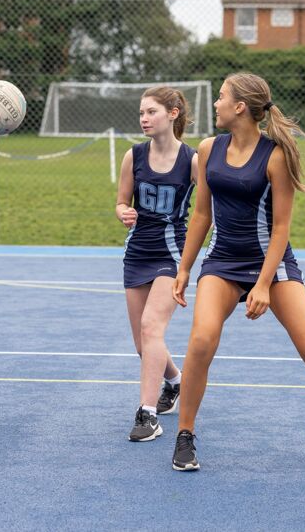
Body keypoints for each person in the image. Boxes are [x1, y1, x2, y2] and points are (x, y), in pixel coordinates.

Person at [171, 72, 305, 471]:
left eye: (222, 97)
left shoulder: (276, 154)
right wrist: (185, 268)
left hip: (270, 264)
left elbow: (281, 228)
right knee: (202, 339)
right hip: (223, 261)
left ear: (240, 107)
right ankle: (185, 434)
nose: (216, 103)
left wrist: (263, 284)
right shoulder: (208, 149)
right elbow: (202, 214)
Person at [116, 87, 198, 442]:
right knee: (142, 344)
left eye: (151, 112)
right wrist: (123, 212)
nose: (144, 119)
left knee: (152, 329)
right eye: (141, 113)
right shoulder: (132, 156)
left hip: (172, 253)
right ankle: (176, 381)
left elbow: (209, 207)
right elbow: (120, 202)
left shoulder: (192, 161)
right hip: (137, 251)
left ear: (173, 114)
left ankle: (147, 414)